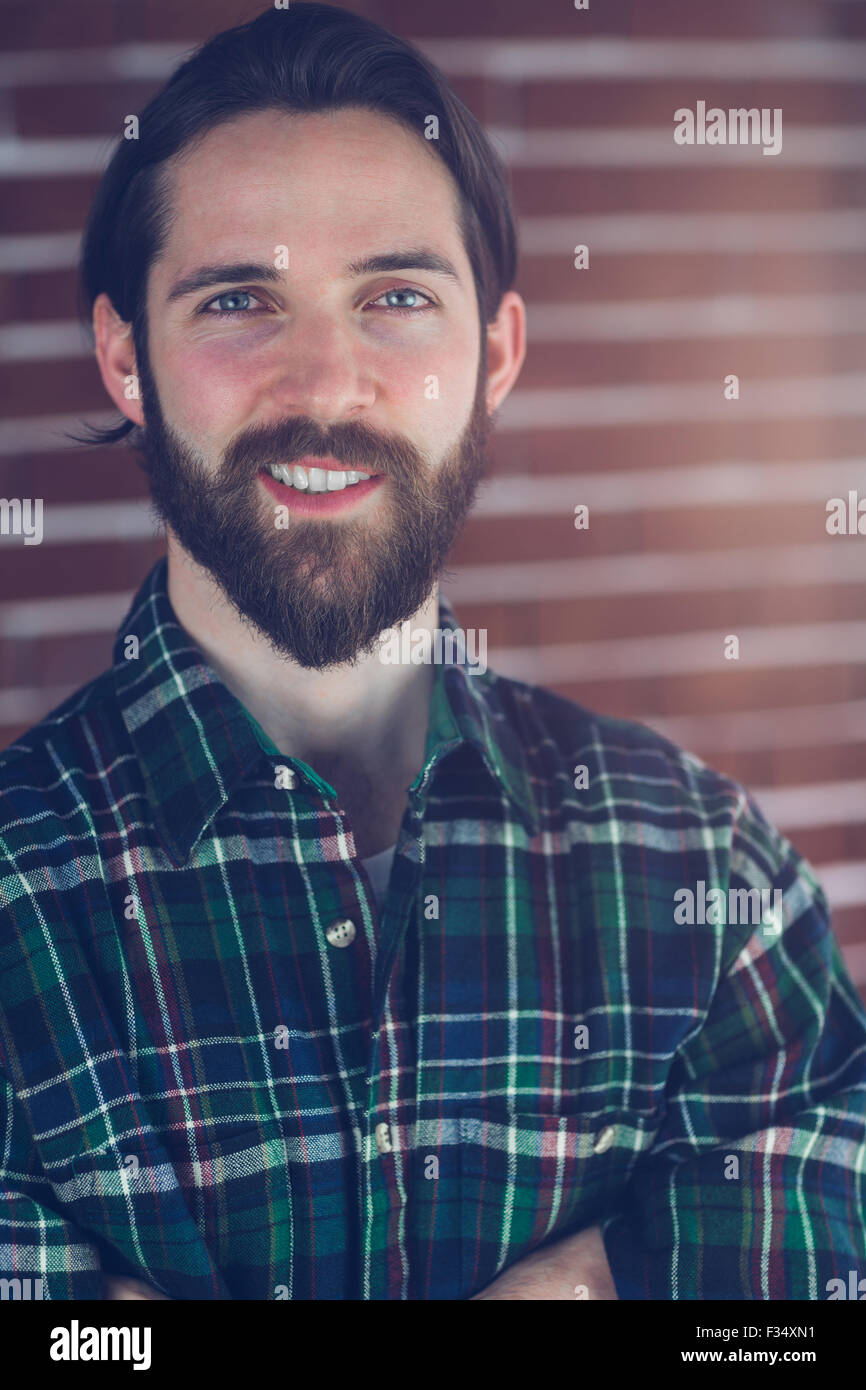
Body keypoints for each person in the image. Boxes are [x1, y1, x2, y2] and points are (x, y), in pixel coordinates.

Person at [1, 2, 864, 1302]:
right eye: (239, 298)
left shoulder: (712, 874)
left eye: (395, 295)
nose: (326, 384)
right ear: (127, 357)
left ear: (495, 351)